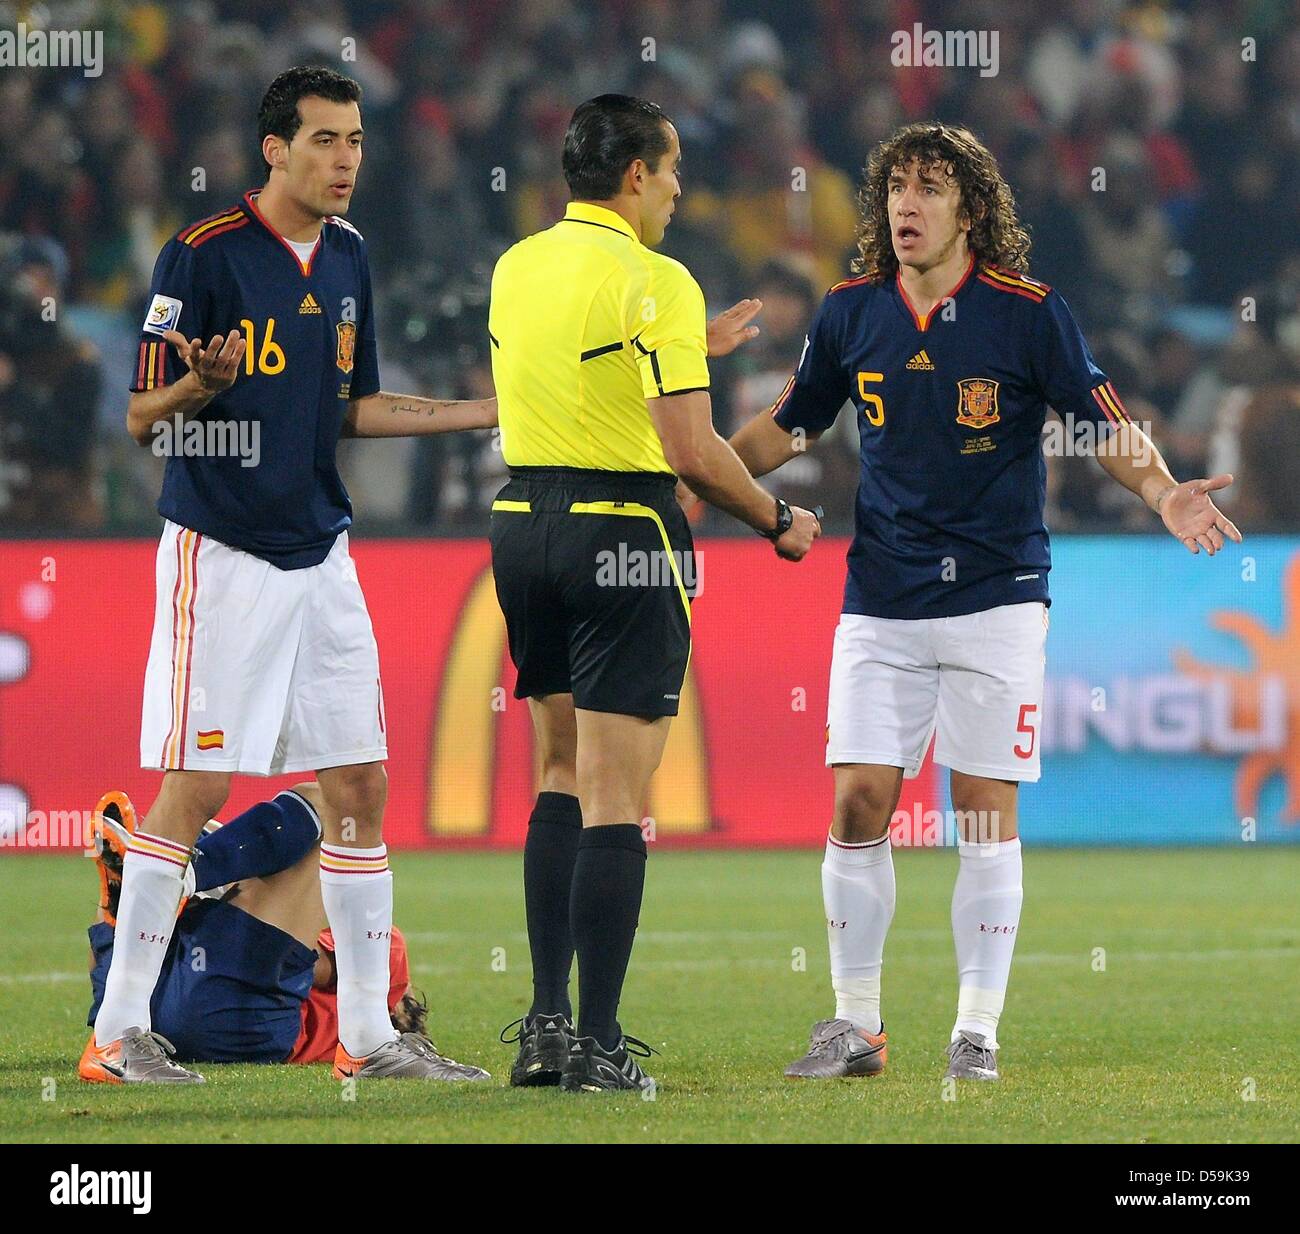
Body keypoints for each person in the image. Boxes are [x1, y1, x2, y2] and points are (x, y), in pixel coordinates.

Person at [719, 122, 1241, 1082]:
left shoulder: (1027, 311)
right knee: (857, 800)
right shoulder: (849, 311)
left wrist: (1164, 490)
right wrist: (698, 477)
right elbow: (790, 425)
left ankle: (976, 1032)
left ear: (971, 208)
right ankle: (856, 1026)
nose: (907, 207)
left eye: (930, 189)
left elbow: (1103, 422)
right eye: (897, 189)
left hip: (999, 596)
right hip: (880, 596)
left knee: (982, 810)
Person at [80, 65, 497, 1085]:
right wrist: (199, 384)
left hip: (323, 554)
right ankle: (117, 1035)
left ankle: (366, 1036)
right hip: (221, 554)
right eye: (324, 140)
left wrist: (473, 413)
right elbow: (140, 417)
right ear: (274, 149)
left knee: (359, 782)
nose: (345, 158)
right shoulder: (205, 254)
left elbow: (351, 405)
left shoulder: (350, 257)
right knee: (197, 783)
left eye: (354, 140)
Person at [488, 94, 820, 1093]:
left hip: (520, 525)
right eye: (671, 171)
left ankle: (544, 1028)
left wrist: (689, 348)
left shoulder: (516, 266)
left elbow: (572, 375)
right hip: (623, 531)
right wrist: (775, 521)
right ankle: (599, 1045)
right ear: (635, 173)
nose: (679, 189)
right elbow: (691, 453)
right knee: (617, 796)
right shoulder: (657, 279)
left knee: (555, 771)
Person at [83, 790, 486, 1078]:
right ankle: (175, 883)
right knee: (228, 884)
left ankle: (176, 875)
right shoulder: (344, 1019)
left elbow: (317, 970)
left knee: (331, 804)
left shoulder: (387, 949)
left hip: (219, 1008)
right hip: (211, 1019)